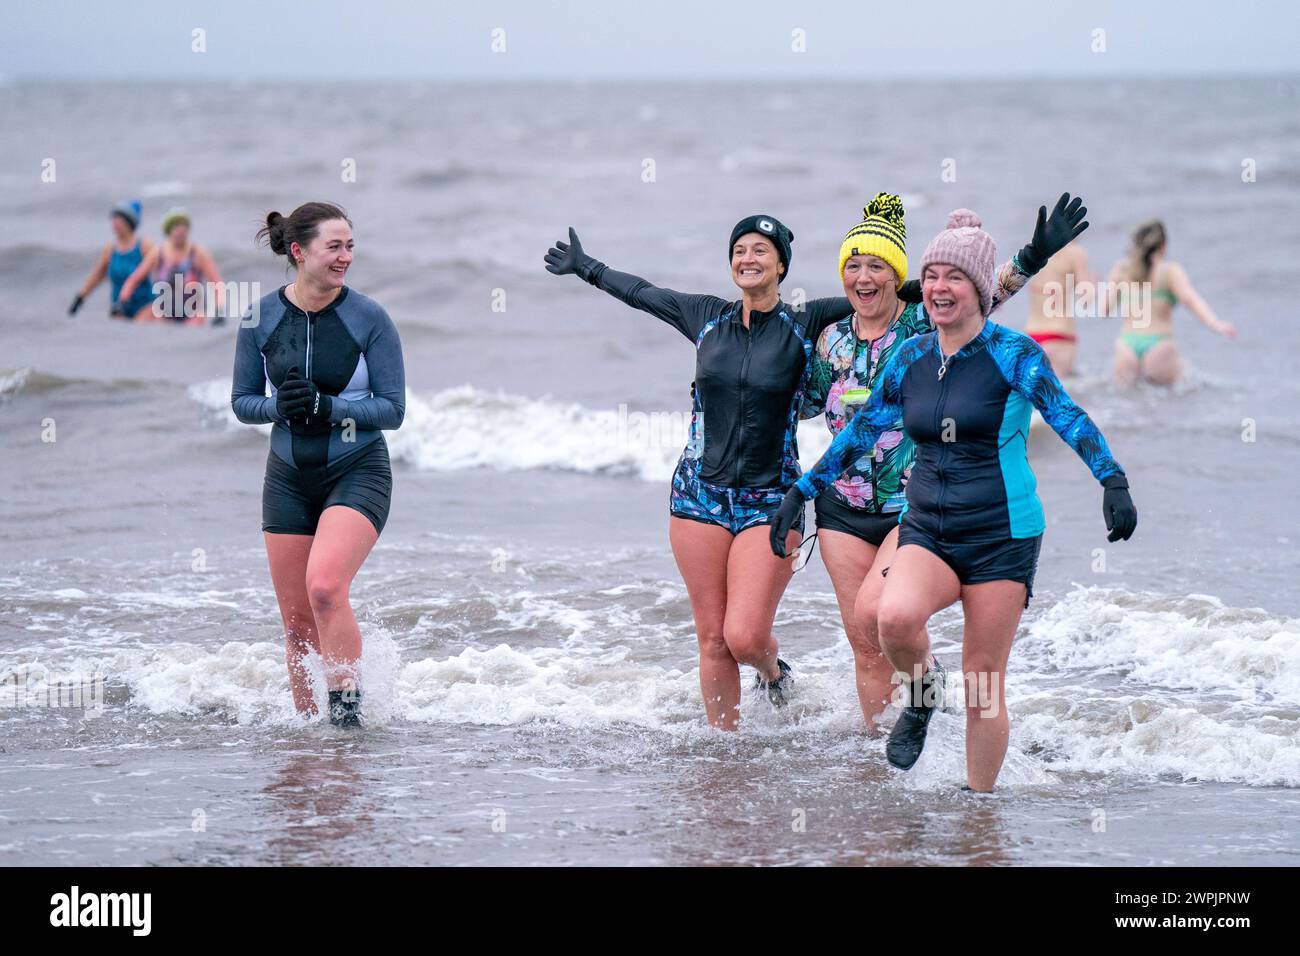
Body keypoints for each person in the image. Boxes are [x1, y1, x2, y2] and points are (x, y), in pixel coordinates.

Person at [771, 209, 1137, 791]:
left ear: (979, 290)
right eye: (932, 275)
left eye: (954, 277)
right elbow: (862, 431)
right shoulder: (911, 357)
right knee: (892, 618)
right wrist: (801, 492)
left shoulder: (1015, 353)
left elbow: (1067, 417)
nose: (939, 288)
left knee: (984, 678)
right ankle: (921, 696)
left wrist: (1111, 480)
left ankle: (978, 806)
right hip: (927, 528)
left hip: (1002, 535)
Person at [545, 216, 865, 730]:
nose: (748, 258)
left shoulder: (805, 321)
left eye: (761, 250)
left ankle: (771, 670)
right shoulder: (706, 317)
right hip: (698, 494)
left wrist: (981, 278)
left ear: (782, 265)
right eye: (739, 250)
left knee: (745, 637)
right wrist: (586, 267)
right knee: (713, 638)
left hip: (772, 500)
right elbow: (643, 293)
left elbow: (892, 294)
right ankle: (724, 753)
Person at [798, 194, 1087, 734]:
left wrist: (1032, 256)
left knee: (877, 614)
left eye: (876, 266)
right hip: (843, 507)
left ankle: (925, 688)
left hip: (914, 506)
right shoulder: (830, 341)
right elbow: (803, 403)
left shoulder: (921, 325)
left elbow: (984, 293)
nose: (863, 278)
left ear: (896, 275)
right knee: (864, 643)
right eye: (853, 266)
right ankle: (882, 756)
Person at [231, 202, 405, 727]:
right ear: (298, 251)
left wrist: (331, 408)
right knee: (298, 625)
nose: (346, 256)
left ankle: (346, 723)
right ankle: (312, 737)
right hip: (286, 479)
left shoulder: (369, 318)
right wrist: (275, 408)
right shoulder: (259, 316)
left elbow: (393, 410)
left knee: (326, 588)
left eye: (350, 245)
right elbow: (242, 401)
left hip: (358, 470)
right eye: (335, 246)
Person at [1108, 220, 1236, 386]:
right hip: (1159, 345)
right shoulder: (1169, 271)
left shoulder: (1121, 269)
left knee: (1126, 404)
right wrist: (1215, 323)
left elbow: (1105, 309)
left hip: (1126, 346)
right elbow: (1190, 299)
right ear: (1163, 246)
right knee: (1167, 403)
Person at [120, 207, 225, 325]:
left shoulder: (198, 253)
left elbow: (217, 283)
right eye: (176, 228)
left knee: (194, 325)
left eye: (184, 229)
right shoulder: (158, 253)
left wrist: (219, 309)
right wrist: (123, 300)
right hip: (163, 310)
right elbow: (135, 279)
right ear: (169, 231)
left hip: (192, 312)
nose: (180, 232)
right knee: (140, 321)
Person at [68, 201, 157, 320]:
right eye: (114, 219)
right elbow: (97, 275)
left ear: (129, 222)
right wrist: (80, 298)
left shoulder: (144, 245)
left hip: (145, 304)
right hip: (119, 307)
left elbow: (160, 270)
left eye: (119, 220)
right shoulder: (110, 249)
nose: (115, 223)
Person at [1023, 239, 1094, 376]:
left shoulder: (1033, 247)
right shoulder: (1075, 253)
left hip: (1031, 335)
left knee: (1033, 393)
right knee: (1057, 393)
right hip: (1059, 334)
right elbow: (1086, 300)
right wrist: (1092, 282)